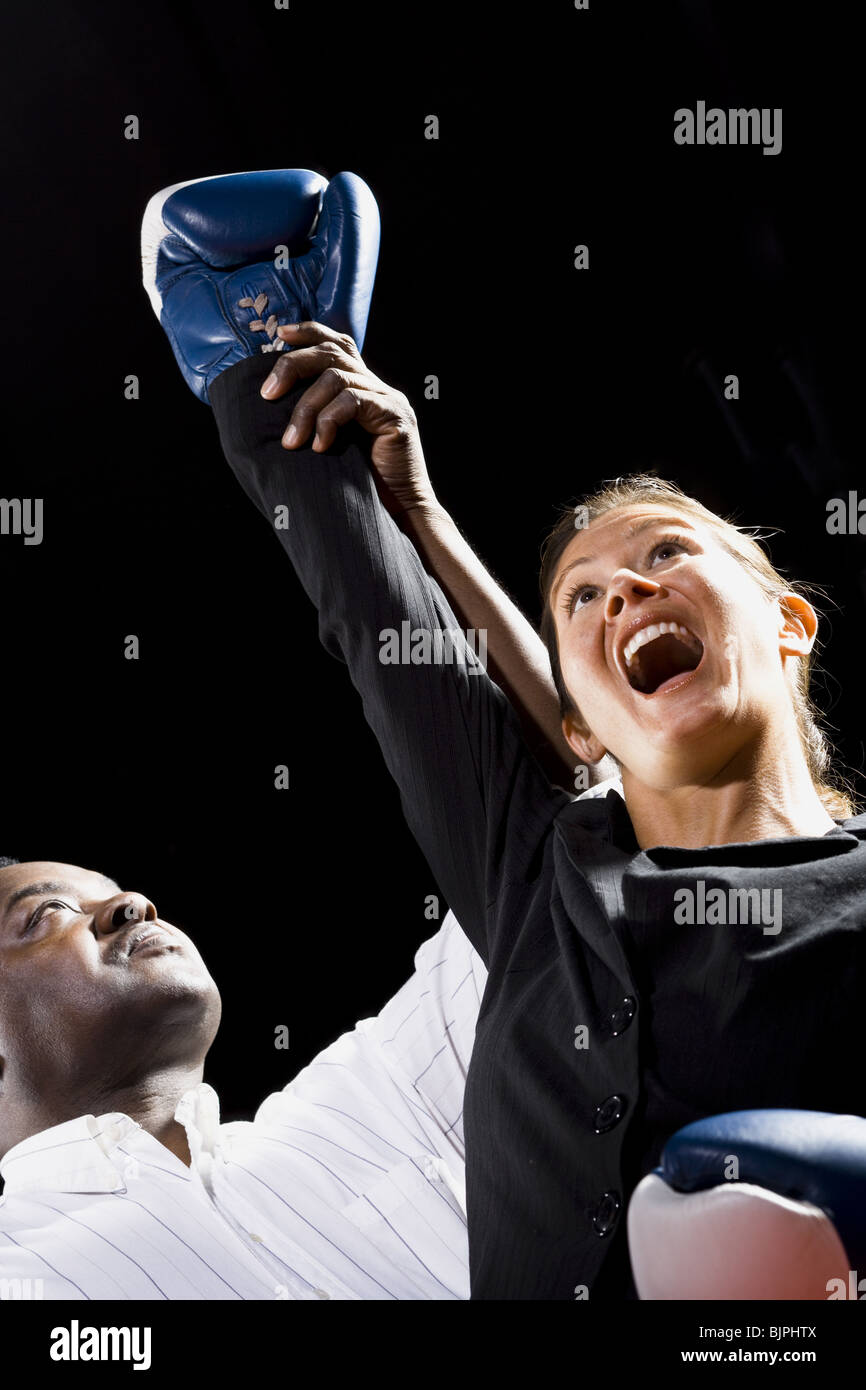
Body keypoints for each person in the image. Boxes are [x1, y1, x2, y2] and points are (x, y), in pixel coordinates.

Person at [199, 319, 866, 1301]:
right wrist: (263, 348)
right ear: (581, 727)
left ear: (786, 621)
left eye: (668, 550)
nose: (624, 593)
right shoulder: (533, 872)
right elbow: (375, 613)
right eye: (580, 597)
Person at [0, 856, 487, 1299]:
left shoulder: (376, 1094)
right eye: (50, 912)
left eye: (115, 891)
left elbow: (525, 879)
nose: (134, 905)